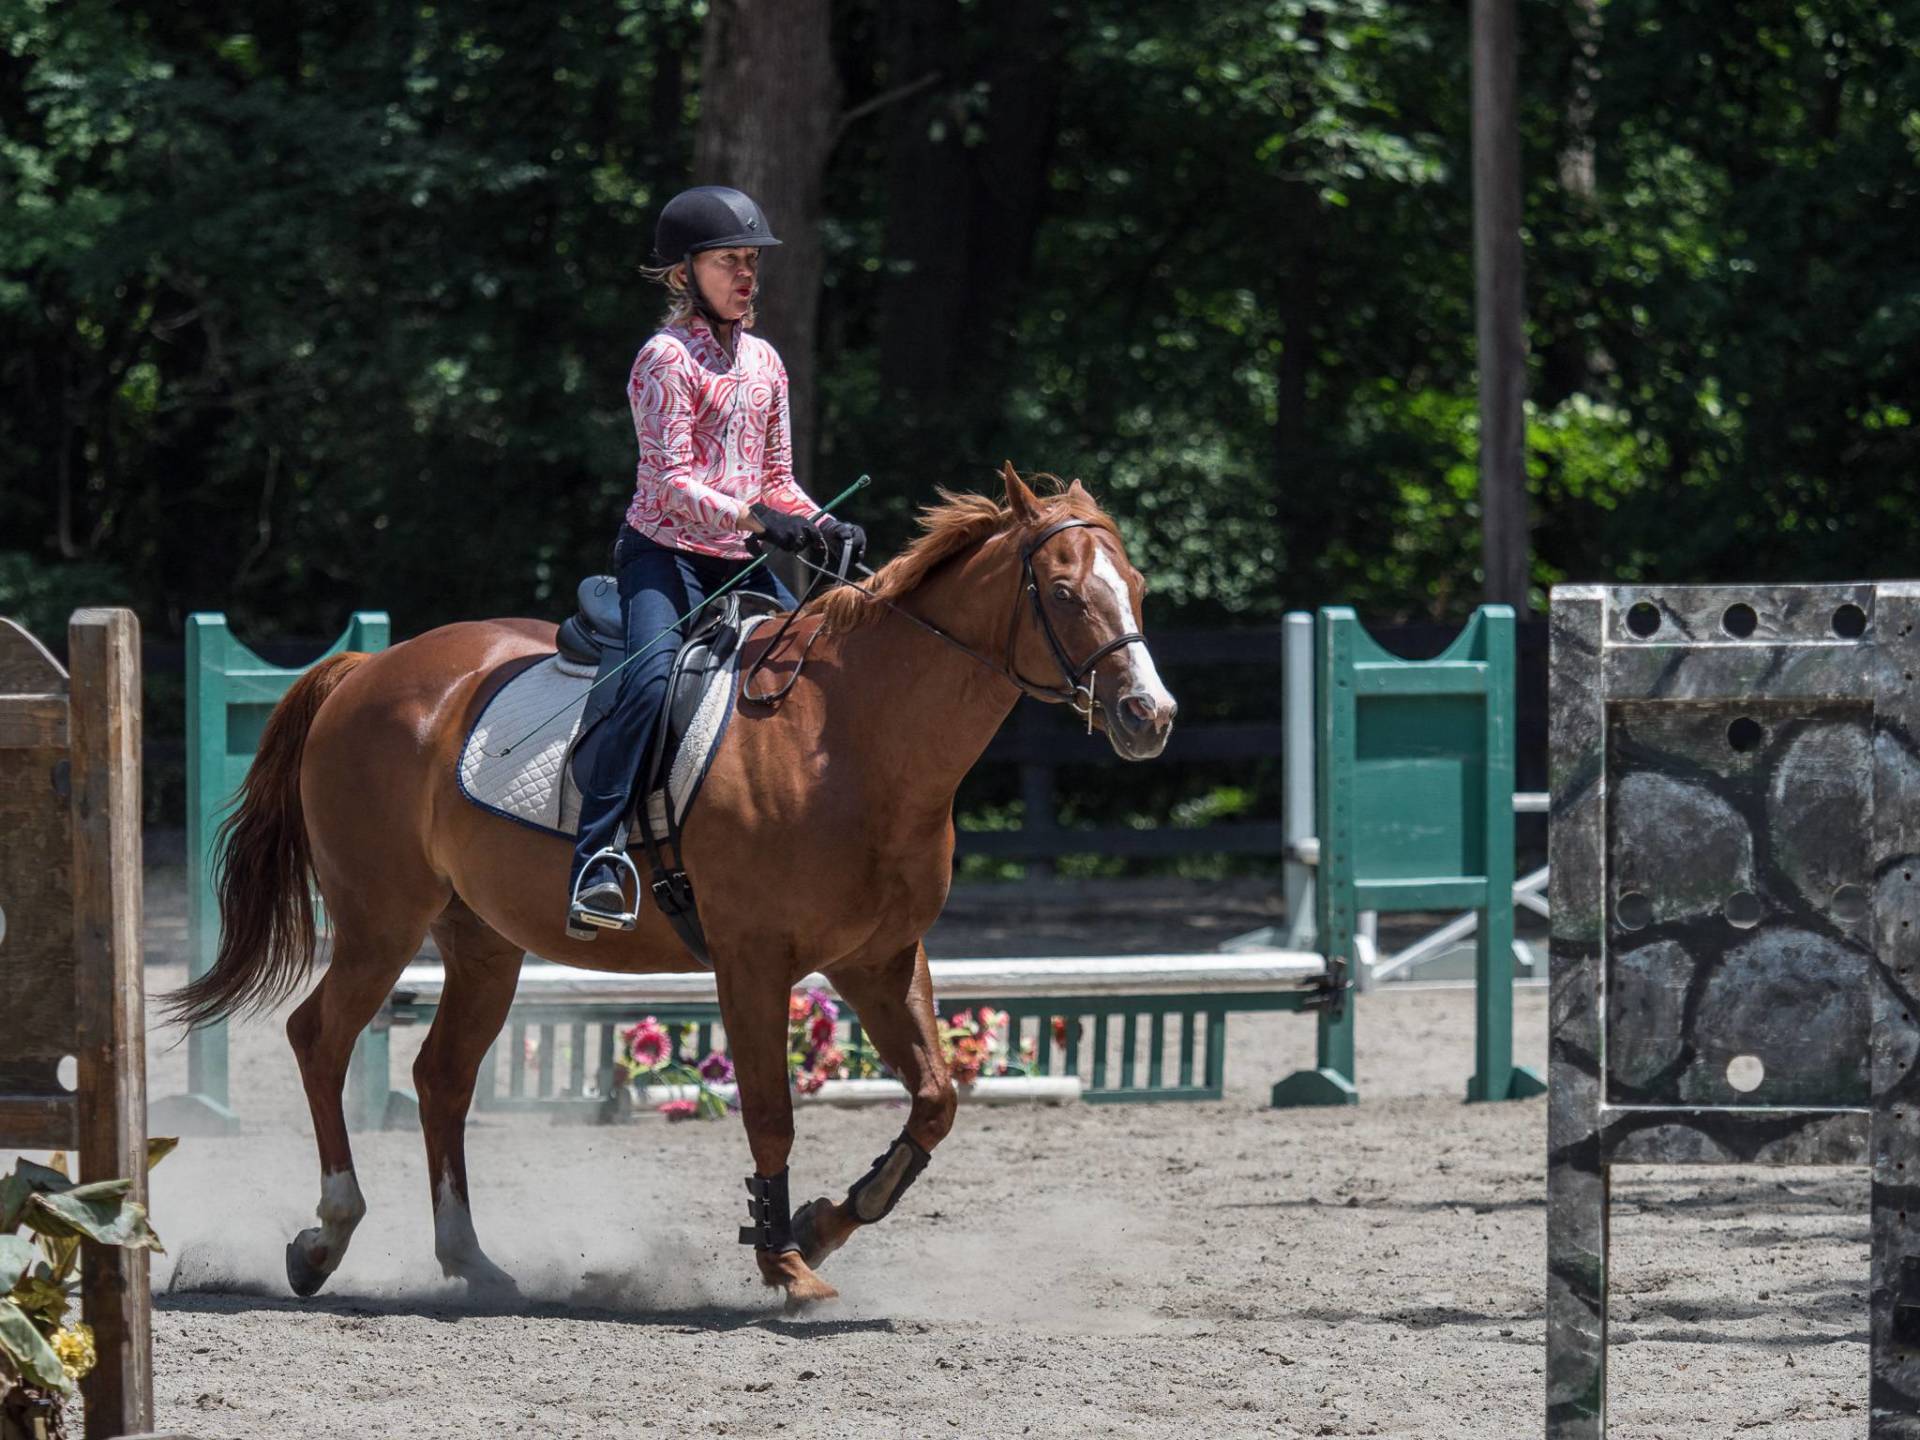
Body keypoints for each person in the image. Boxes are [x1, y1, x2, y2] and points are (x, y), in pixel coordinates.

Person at [567, 184, 865, 932]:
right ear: (683, 274)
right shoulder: (664, 359)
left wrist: (824, 524)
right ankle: (596, 857)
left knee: (814, 672)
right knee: (649, 681)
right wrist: (759, 520)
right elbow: (669, 483)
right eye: (729, 261)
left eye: (751, 262)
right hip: (664, 558)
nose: (745, 275)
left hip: (737, 559)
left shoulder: (765, 361)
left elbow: (777, 479)